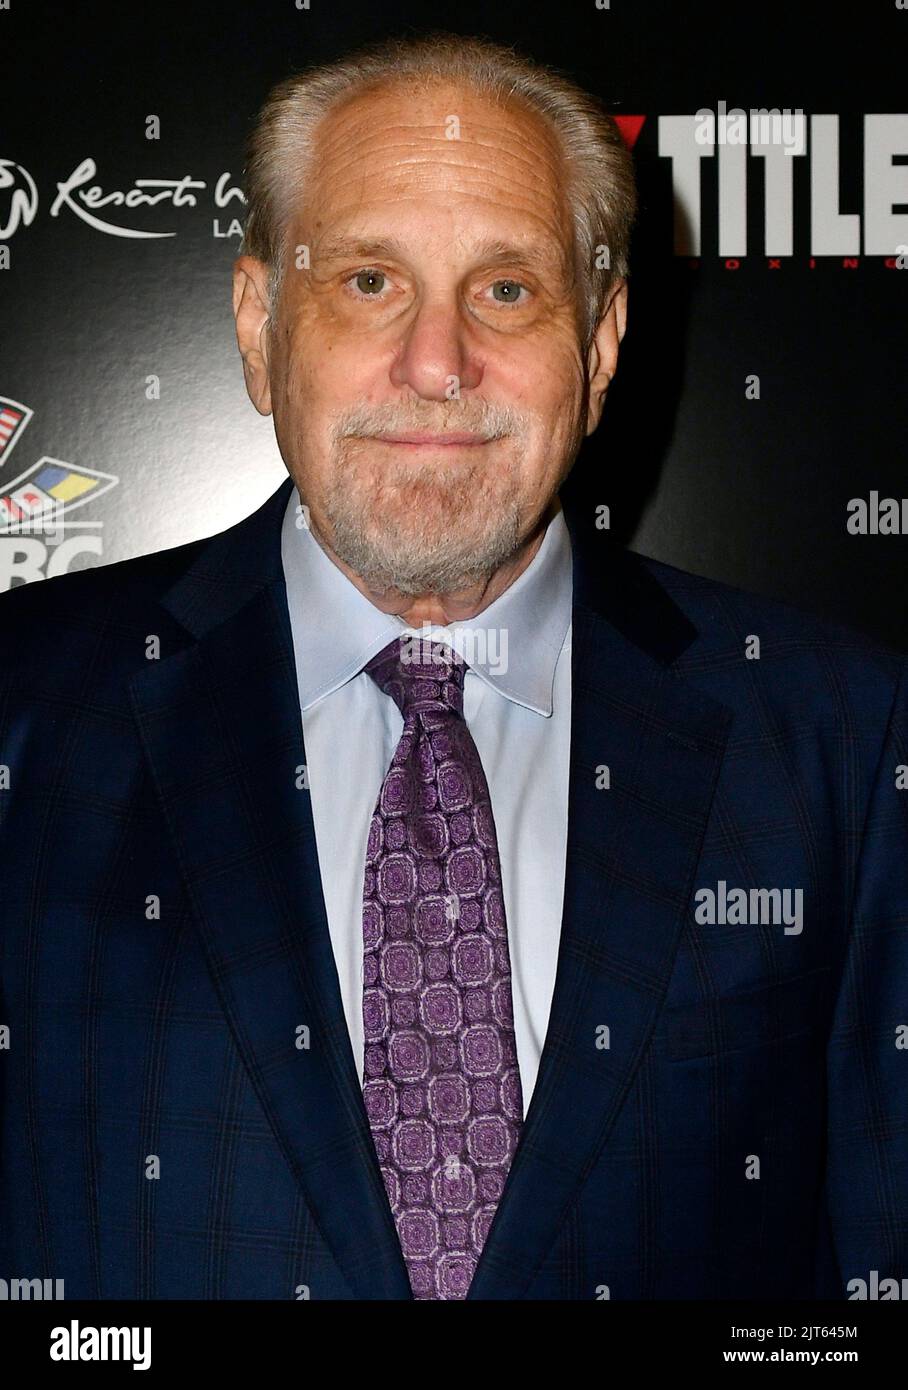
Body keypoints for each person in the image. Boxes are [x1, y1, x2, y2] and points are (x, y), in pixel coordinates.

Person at [1, 31, 906, 1302]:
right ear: (261, 328)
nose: (437, 365)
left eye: (507, 291)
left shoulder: (837, 737)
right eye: (368, 280)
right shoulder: (26, 713)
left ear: (597, 352)